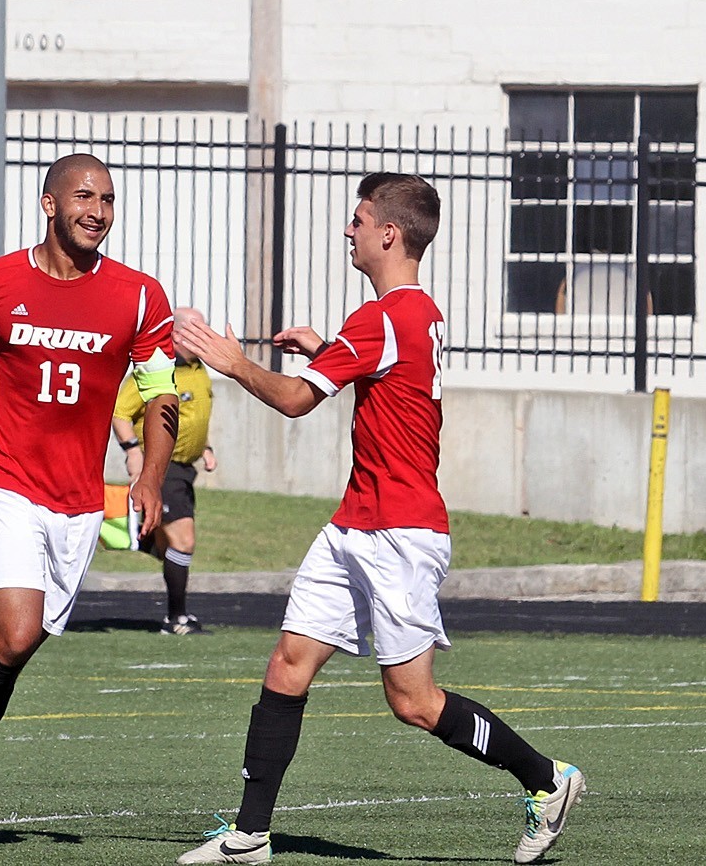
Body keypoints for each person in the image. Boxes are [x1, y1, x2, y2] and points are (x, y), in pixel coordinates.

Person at [170, 174, 585, 865]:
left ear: (388, 233)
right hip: (355, 524)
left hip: (398, 532)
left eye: (358, 219)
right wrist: (328, 346)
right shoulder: (414, 313)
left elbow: (299, 402)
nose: (348, 230)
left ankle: (547, 781)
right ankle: (249, 835)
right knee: (288, 663)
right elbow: (389, 372)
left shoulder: (382, 319)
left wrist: (235, 363)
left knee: (414, 703)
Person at [0, 153, 182, 852]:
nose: (99, 210)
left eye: (109, 199)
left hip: (80, 502)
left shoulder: (140, 296)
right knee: (16, 631)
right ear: (49, 203)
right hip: (7, 481)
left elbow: (161, 394)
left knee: (16, 651)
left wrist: (147, 479)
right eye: (85, 196)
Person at [112, 305, 217, 635]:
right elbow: (119, 413)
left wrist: (206, 447)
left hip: (186, 469)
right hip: (164, 466)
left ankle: (134, 532)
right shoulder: (157, 367)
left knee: (168, 542)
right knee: (183, 541)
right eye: (197, 328)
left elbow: (193, 415)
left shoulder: (199, 368)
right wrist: (132, 451)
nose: (205, 334)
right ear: (177, 332)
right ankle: (176, 618)